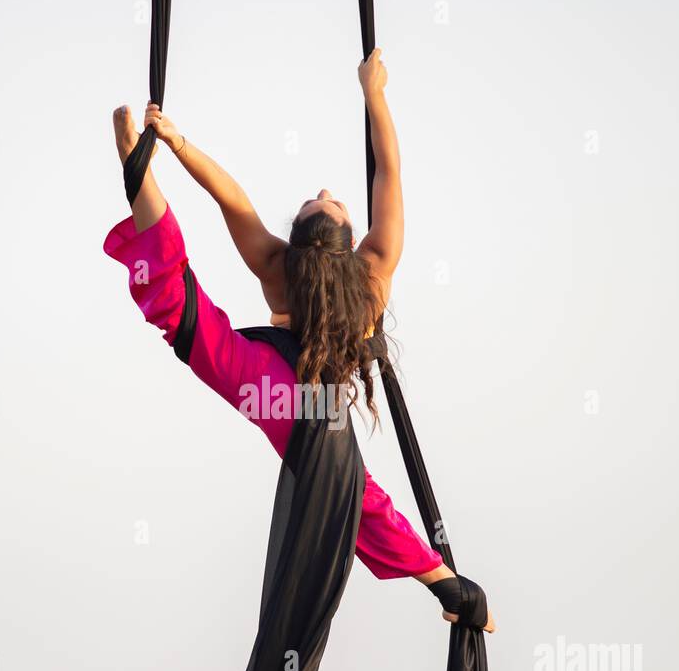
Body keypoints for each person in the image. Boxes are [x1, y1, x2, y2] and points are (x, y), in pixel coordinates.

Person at [105, 48, 494, 629]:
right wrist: (374, 92)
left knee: (182, 310)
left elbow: (231, 200)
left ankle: (140, 179)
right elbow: (388, 174)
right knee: (359, 498)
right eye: (332, 199)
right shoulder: (373, 273)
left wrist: (178, 144)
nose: (326, 188)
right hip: (304, 402)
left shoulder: (278, 268)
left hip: (267, 380)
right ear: (349, 242)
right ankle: (447, 586)